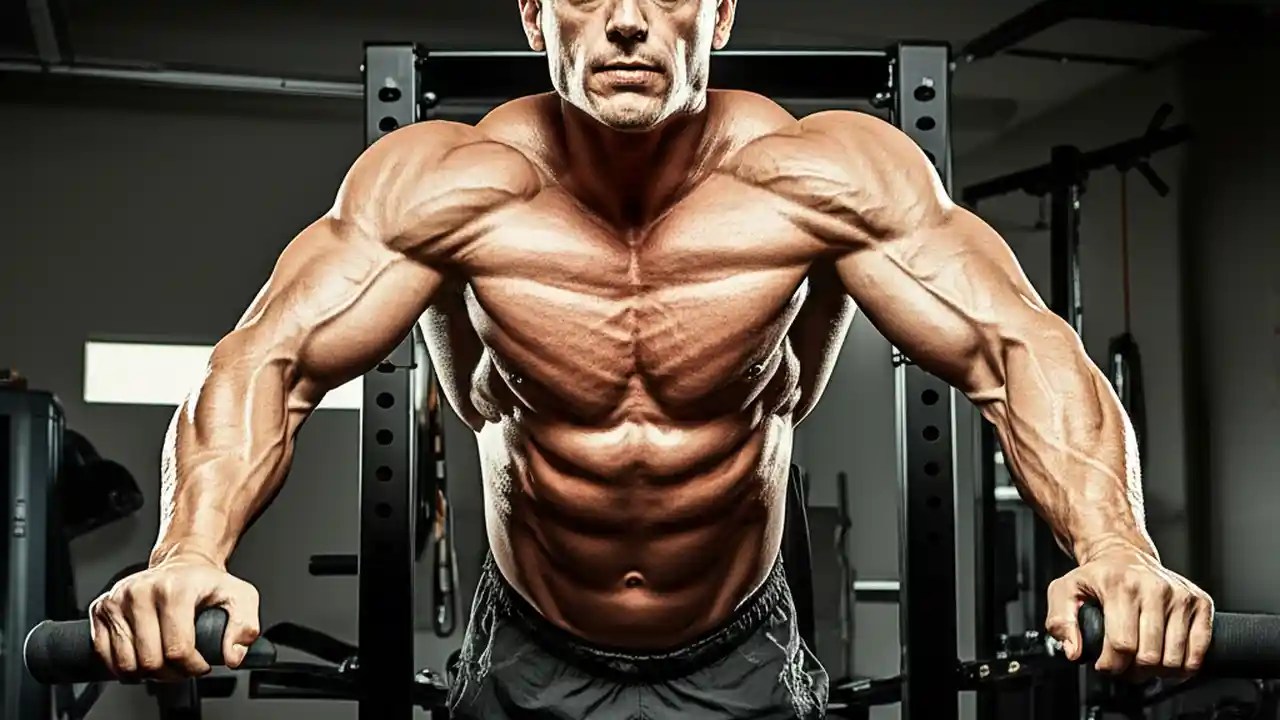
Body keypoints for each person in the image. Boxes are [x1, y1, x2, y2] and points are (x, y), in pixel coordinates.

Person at [87, 1, 1214, 717]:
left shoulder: (819, 174)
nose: (627, 22)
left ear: (716, 14)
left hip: (742, 646)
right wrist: (188, 551)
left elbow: (1017, 348)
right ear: (536, 17)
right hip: (526, 645)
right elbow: (267, 359)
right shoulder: (444, 184)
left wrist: (1116, 549)